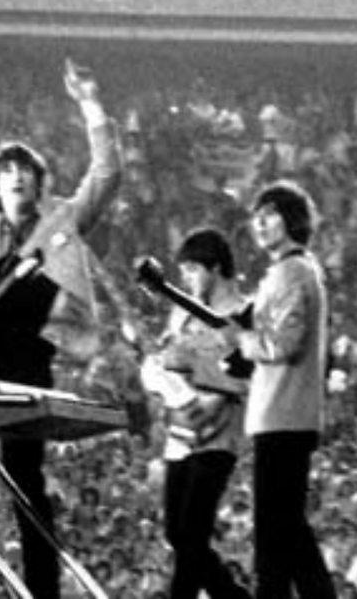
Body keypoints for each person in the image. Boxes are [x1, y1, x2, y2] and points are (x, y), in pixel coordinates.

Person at [0, 58, 121, 598]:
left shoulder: (63, 220)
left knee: (23, 475)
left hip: (27, 352)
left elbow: (106, 175)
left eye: (25, 171)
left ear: (39, 184)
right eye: (6, 172)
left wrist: (89, 102)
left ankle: (42, 589)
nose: (16, 177)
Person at [225, 180, 335, 598]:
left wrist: (245, 341)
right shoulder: (290, 271)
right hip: (283, 413)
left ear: (291, 220)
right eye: (256, 217)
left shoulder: (293, 271)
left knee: (276, 530)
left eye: (269, 215)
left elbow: (284, 344)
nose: (260, 224)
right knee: (285, 527)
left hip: (283, 413)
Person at [139, 228, 253, 599]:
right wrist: (158, 370)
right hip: (180, 433)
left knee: (192, 533)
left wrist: (196, 369)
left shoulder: (243, 312)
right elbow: (167, 359)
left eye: (193, 270)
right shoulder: (182, 315)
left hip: (218, 433)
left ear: (215, 267)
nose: (187, 279)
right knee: (178, 534)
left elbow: (244, 376)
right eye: (183, 272)